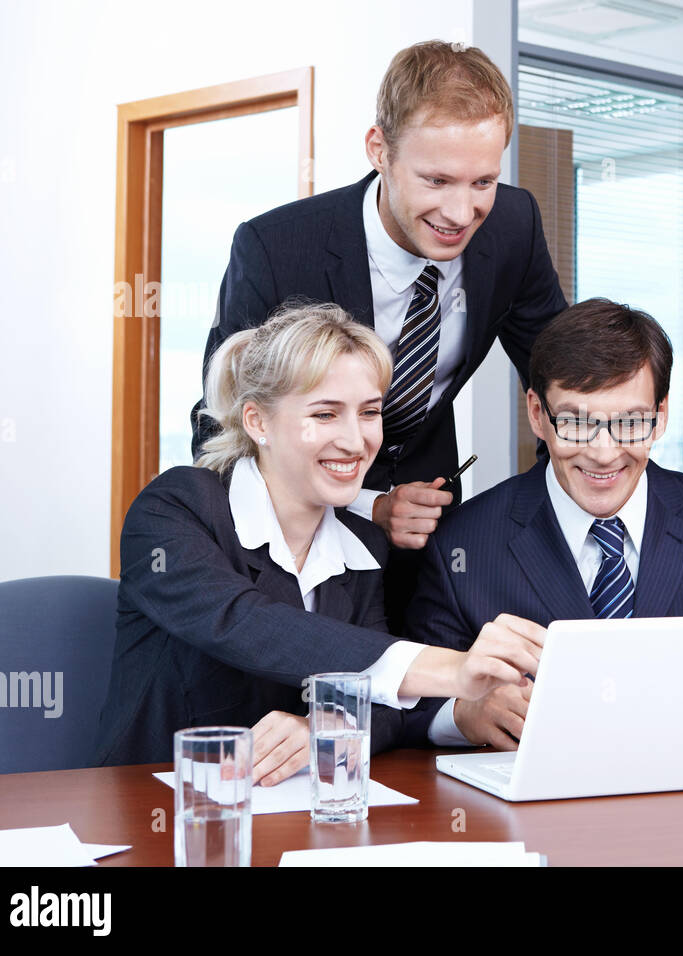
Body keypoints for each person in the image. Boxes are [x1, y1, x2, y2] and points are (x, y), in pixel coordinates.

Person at [190, 40, 567, 627]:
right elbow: (222, 427)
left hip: (434, 538)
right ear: (379, 151)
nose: (462, 212)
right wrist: (367, 504)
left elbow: (562, 376)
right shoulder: (277, 248)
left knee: (424, 706)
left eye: (483, 182)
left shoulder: (513, 226)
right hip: (297, 554)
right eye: (436, 180)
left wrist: (560, 499)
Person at [95, 304, 545, 779]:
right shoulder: (175, 510)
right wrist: (456, 670)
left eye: (369, 412)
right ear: (258, 422)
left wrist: (322, 729)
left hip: (287, 820)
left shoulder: (362, 545)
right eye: (325, 414)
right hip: (157, 808)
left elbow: (382, 705)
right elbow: (248, 624)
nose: (355, 441)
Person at [397, 299, 683, 750]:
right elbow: (408, 702)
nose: (604, 452)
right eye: (577, 423)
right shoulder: (460, 546)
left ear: (660, 417)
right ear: (538, 415)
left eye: (631, 422)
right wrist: (463, 713)